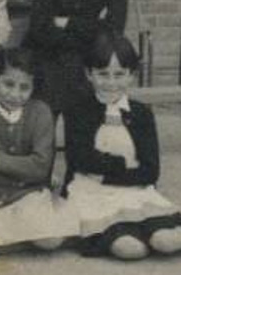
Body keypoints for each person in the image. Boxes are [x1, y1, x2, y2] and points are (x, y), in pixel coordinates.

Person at [64, 32, 180, 260]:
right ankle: (125, 237)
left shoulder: (141, 114)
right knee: (130, 249)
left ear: (131, 76)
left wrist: (105, 172)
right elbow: (81, 160)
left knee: (165, 241)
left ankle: (154, 232)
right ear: (89, 74)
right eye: (103, 74)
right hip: (91, 193)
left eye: (119, 74)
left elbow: (150, 171)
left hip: (136, 192)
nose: (111, 82)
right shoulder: (78, 111)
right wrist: (122, 165)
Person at [0, 49, 79, 254]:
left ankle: (15, 239)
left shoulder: (40, 112)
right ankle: (23, 241)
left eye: (24, 88)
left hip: (28, 193)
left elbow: (41, 167)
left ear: (34, 88)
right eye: (8, 84)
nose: (14, 94)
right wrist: (24, 170)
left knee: (50, 240)